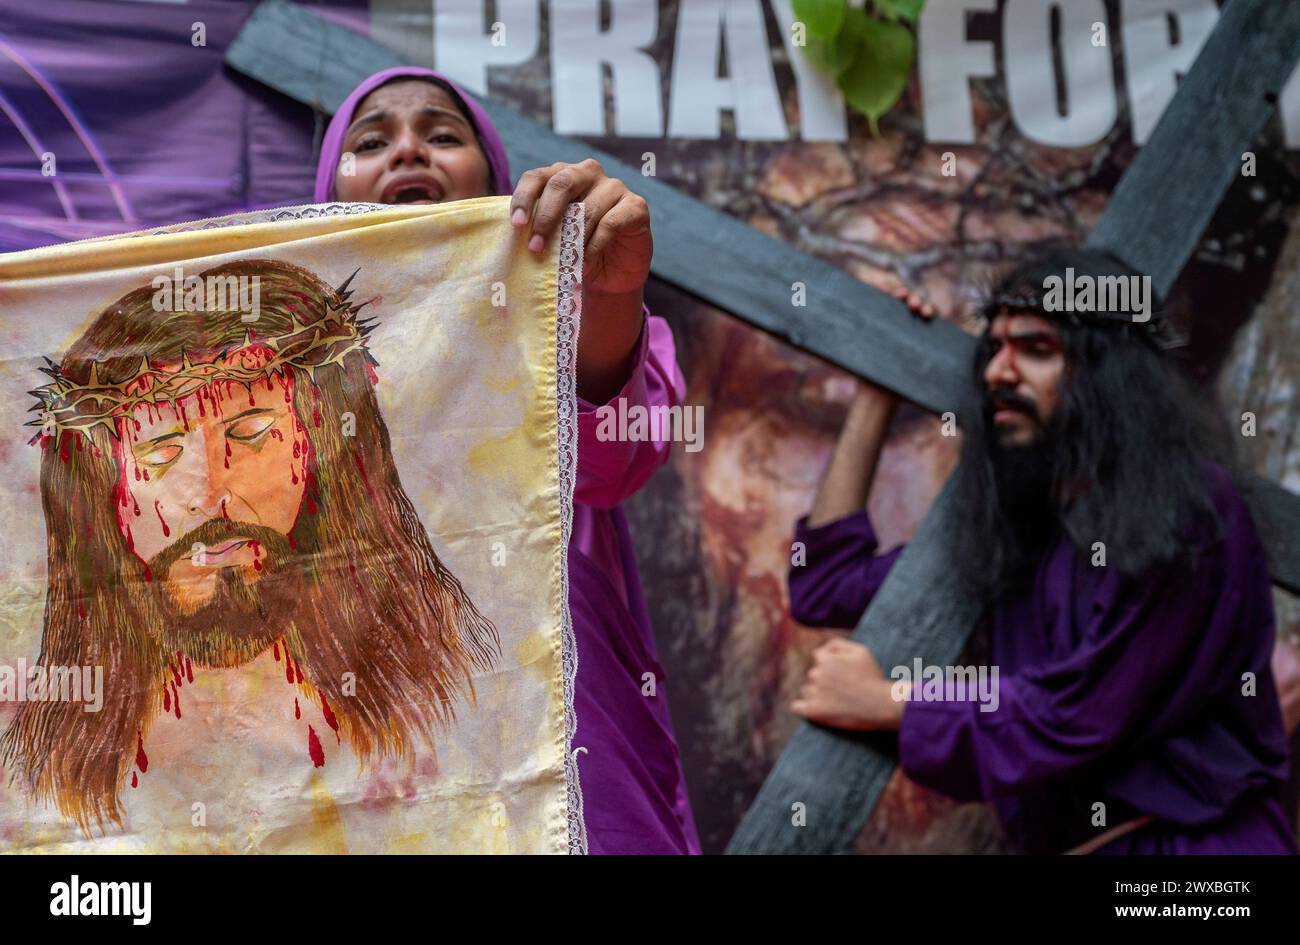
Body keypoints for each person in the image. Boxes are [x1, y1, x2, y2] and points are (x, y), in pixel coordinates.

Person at [787, 249, 1298, 854]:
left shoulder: (1184, 509)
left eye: (1035, 349)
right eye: (994, 348)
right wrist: (879, 391)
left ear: (1109, 373)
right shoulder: (1017, 531)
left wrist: (889, 701)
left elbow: (1081, 712)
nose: (999, 372)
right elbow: (822, 583)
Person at [315, 67, 700, 854]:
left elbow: (614, 457)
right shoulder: (262, 373)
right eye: (371, 140)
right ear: (324, 196)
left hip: (570, 794)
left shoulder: (556, 306)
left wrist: (605, 294)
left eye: (444, 134)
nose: (409, 149)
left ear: (497, 182)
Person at [3, 260, 499, 832]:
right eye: (161, 450)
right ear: (104, 493)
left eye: (251, 433)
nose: (211, 493)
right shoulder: (48, 763)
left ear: (315, 447)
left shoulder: (454, 677)